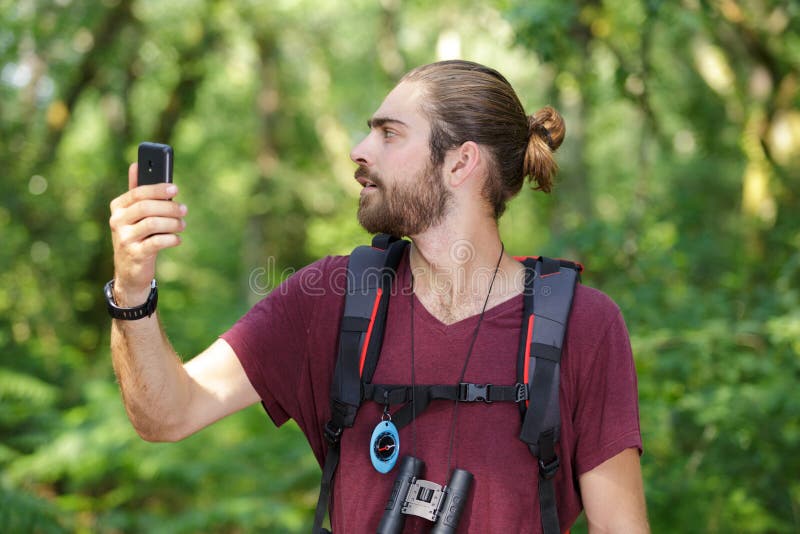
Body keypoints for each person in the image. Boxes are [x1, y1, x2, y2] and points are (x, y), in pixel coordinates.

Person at [107, 60, 649, 533]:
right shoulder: (330, 300)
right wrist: (132, 285)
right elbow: (166, 414)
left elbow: (618, 525)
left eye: (389, 134)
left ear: (460, 163)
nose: (359, 150)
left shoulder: (581, 322)